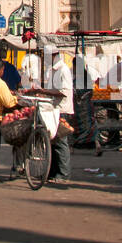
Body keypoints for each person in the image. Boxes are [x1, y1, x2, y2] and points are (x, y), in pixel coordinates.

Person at [46, 45, 74, 184]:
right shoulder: (52, 70)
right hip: (54, 109)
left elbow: (63, 91)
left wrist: (46, 92)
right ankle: (53, 172)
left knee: (61, 142)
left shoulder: (63, 70)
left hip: (62, 110)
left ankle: (63, 174)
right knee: (52, 141)